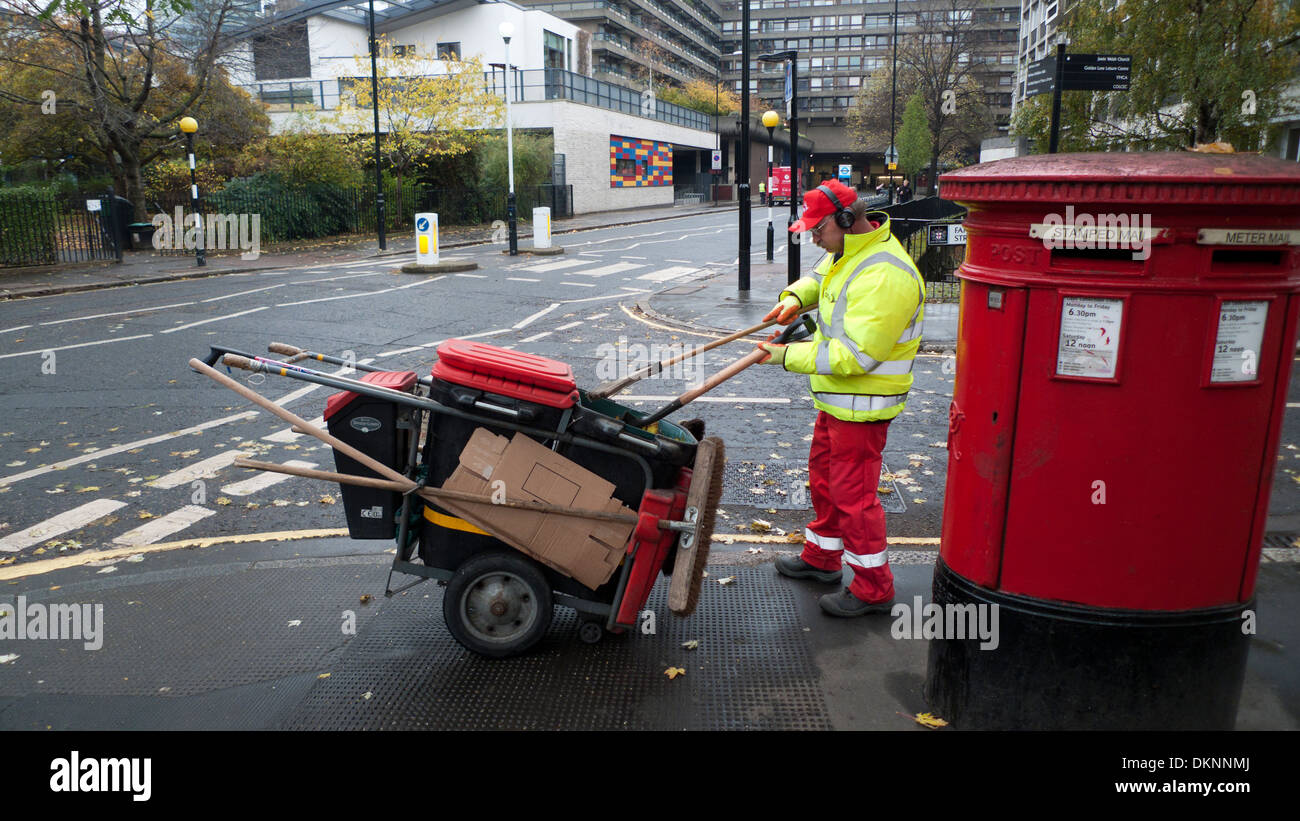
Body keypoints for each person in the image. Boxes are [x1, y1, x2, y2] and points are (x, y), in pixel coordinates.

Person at [755, 179, 925, 617]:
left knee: (855, 499)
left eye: (817, 229)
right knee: (825, 483)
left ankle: (873, 588)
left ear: (846, 221)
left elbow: (855, 355)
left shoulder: (885, 274)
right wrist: (794, 298)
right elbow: (820, 278)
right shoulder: (849, 252)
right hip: (837, 401)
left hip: (863, 405)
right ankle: (822, 559)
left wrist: (785, 355)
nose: (812, 237)